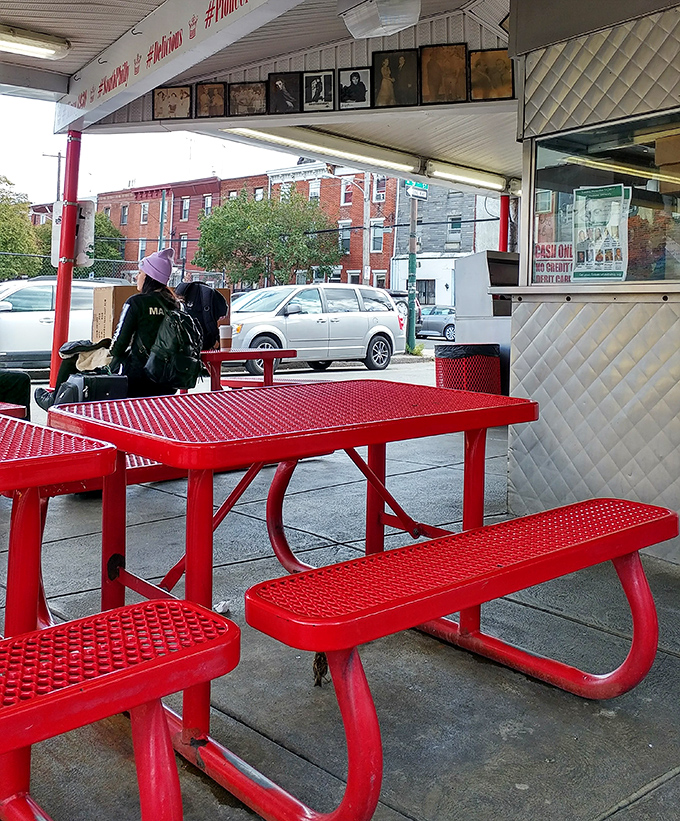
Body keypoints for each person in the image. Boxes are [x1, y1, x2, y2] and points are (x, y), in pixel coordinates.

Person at [109, 247, 180, 398]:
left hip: (138, 379)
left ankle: (55, 400)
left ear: (150, 276)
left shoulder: (136, 303)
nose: (137, 277)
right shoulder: (175, 304)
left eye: (140, 273)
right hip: (169, 381)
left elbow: (119, 345)